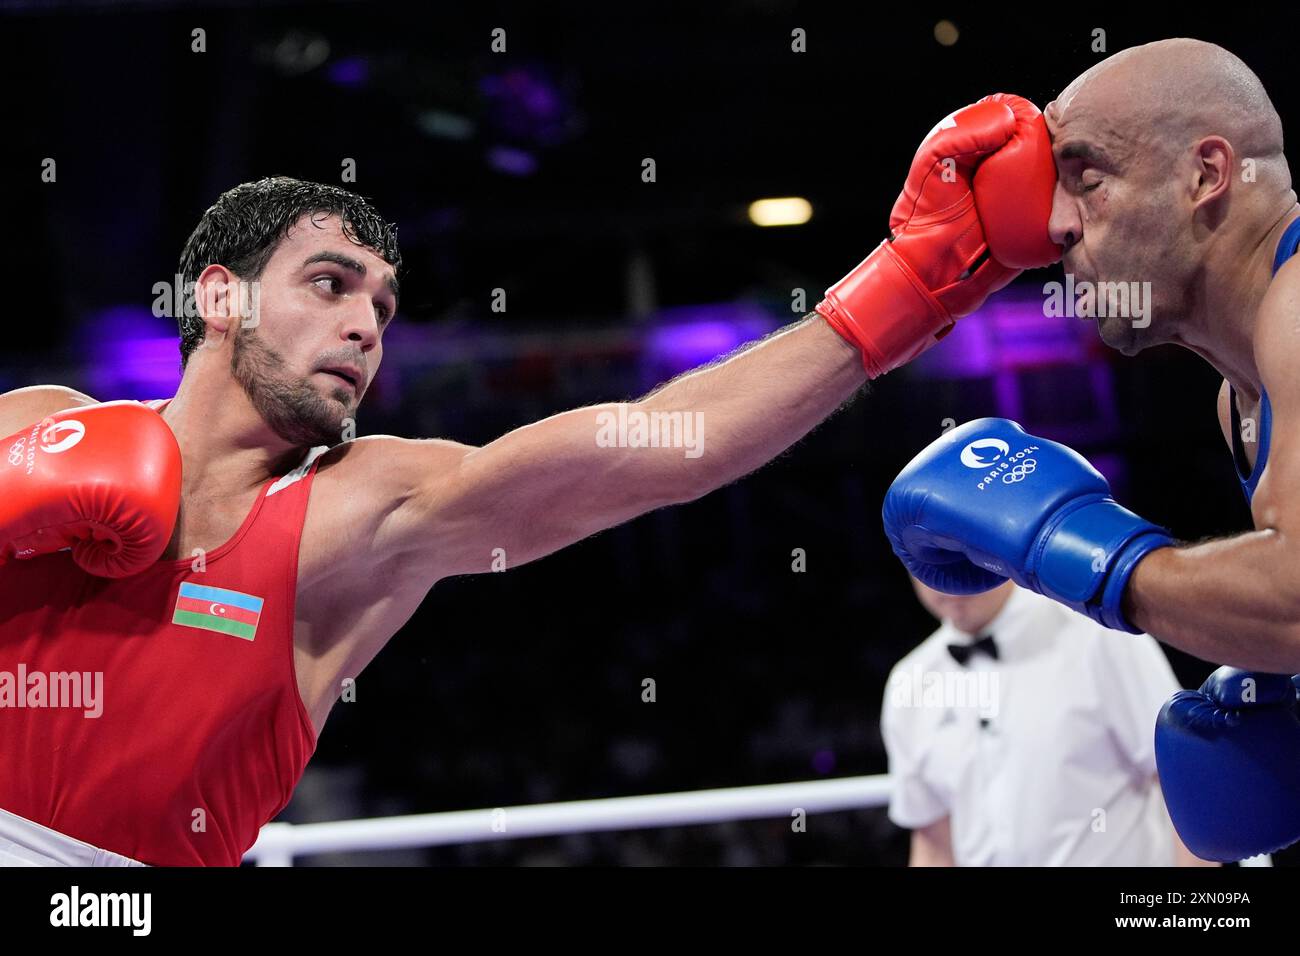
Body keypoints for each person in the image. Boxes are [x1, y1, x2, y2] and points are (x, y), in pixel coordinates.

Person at [0, 93, 1061, 865]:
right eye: (330, 284)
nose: (365, 324)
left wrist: (911, 282)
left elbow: (661, 447)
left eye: (381, 303)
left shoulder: (362, 509)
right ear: (221, 297)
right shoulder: (45, 424)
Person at [880, 38, 1300, 862]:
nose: (1056, 225)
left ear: (1207, 175)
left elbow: (1294, 601)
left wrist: (1076, 552)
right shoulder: (1239, 398)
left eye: (1087, 177)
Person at [882, 576, 1210, 866]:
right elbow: (933, 843)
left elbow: (1186, 780)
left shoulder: (1099, 635)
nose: (946, 577)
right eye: (929, 560)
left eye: (955, 552)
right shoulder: (910, 681)